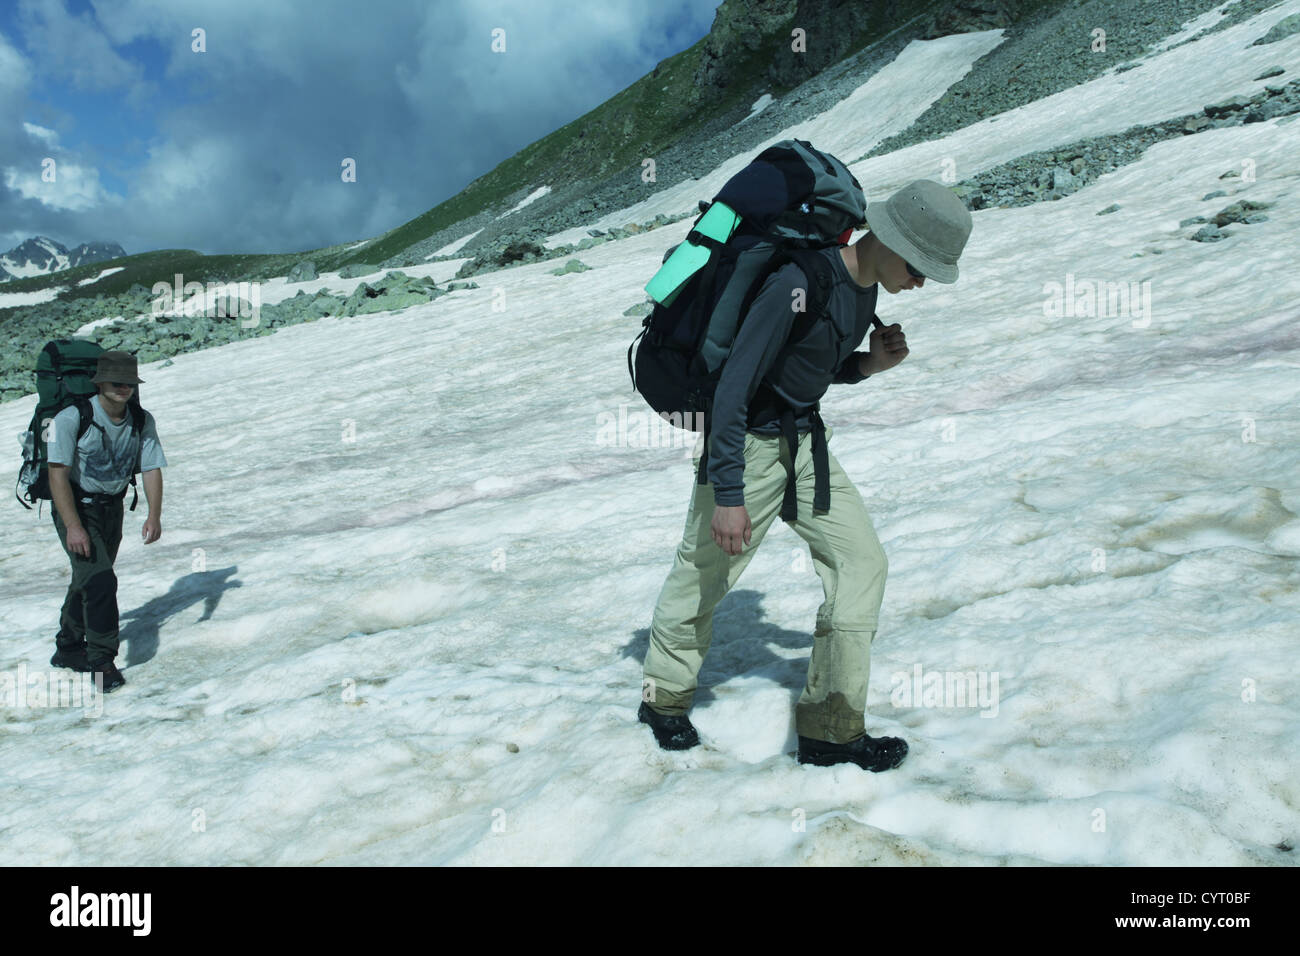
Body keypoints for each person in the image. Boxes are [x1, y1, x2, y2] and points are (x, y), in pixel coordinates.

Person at [639, 180, 973, 771]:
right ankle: (663, 699)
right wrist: (729, 494)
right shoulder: (796, 283)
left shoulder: (865, 291)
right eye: (920, 267)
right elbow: (736, 388)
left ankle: (831, 727)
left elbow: (809, 370)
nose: (921, 282)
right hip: (748, 448)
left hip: (807, 446)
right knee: (703, 573)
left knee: (862, 563)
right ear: (888, 240)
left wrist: (870, 364)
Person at [46, 350, 167, 692]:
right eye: (116, 382)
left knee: (89, 578)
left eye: (129, 382)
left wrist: (154, 515)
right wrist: (72, 525)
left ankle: (68, 647)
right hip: (76, 506)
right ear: (100, 383)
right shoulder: (72, 417)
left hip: (111, 508)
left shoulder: (141, 420)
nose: (123, 388)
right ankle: (101, 661)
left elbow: (151, 467)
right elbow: (57, 474)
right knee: (100, 581)